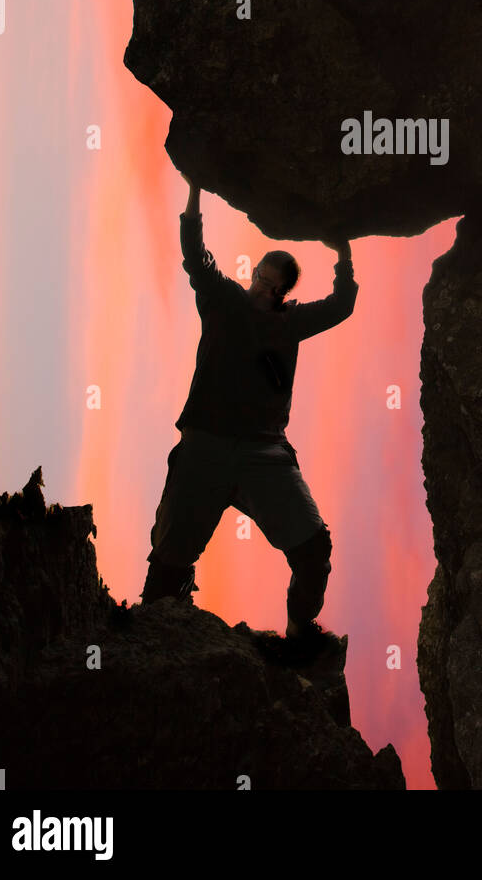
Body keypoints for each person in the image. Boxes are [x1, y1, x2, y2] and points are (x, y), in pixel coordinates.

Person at [140, 171, 357, 667]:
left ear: (284, 290)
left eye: (273, 283)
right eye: (260, 275)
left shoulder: (291, 322)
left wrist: (343, 251)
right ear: (253, 271)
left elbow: (343, 304)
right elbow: (196, 257)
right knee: (167, 567)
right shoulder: (223, 301)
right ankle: (157, 636)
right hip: (205, 446)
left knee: (313, 550)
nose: (263, 286)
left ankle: (299, 633)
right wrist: (195, 190)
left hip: (265, 452)